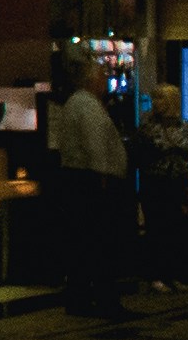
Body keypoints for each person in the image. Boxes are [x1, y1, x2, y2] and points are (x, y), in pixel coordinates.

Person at [45, 55, 130, 319]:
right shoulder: (87, 105)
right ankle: (105, 300)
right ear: (91, 79)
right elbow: (95, 143)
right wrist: (103, 174)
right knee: (99, 242)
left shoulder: (75, 103)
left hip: (78, 179)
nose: (106, 81)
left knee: (81, 242)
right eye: (102, 76)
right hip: (90, 180)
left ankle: (80, 297)